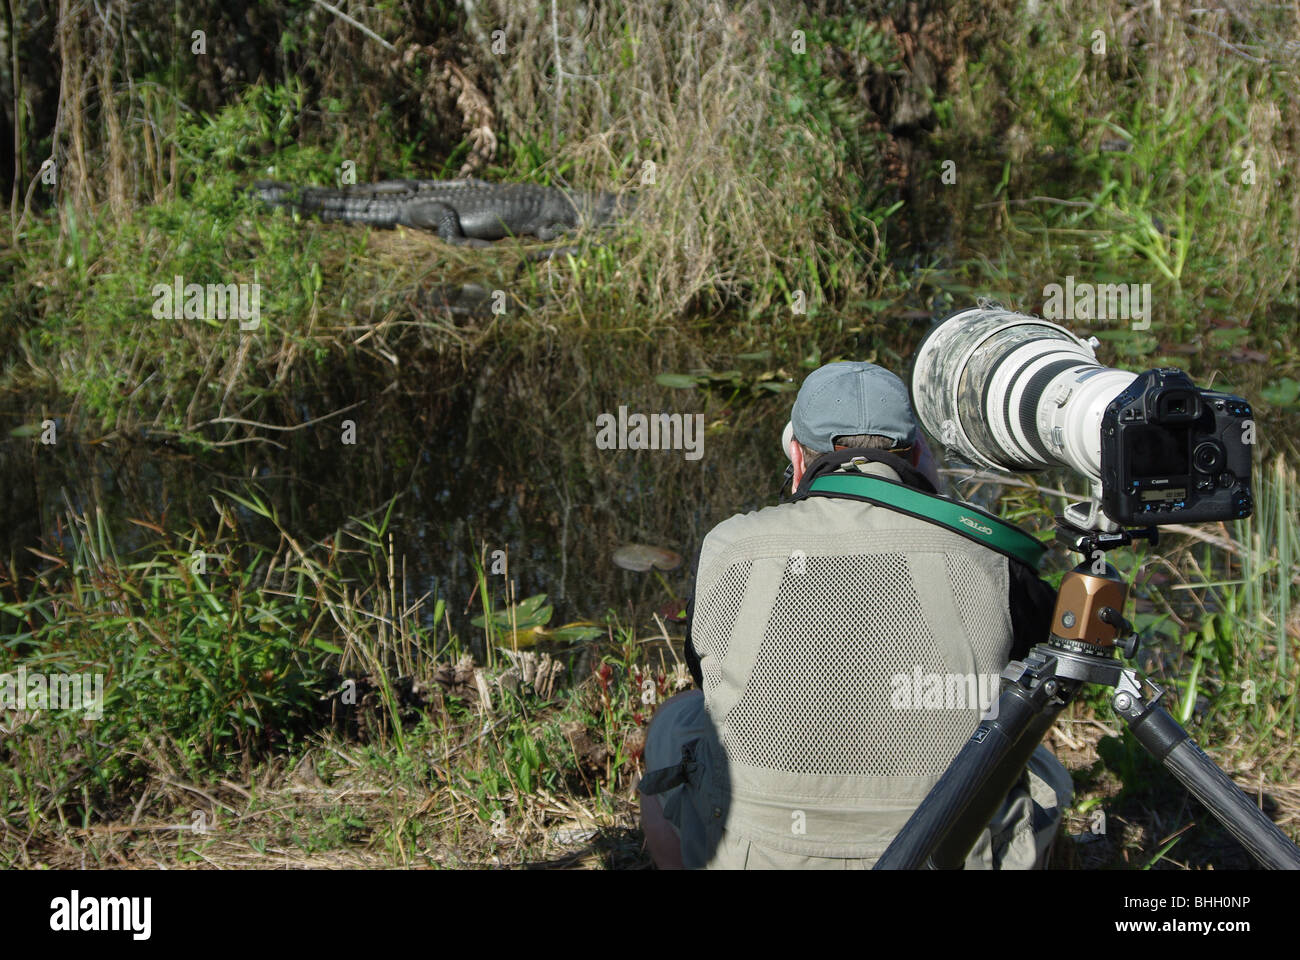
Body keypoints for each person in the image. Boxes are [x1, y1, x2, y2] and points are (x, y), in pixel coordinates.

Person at [639, 360, 1073, 869]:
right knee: (1038, 759)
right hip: (949, 853)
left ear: (797, 459)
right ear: (916, 455)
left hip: (763, 856)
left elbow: (706, 678)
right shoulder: (988, 553)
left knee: (674, 720)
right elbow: (1054, 668)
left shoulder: (730, 546)